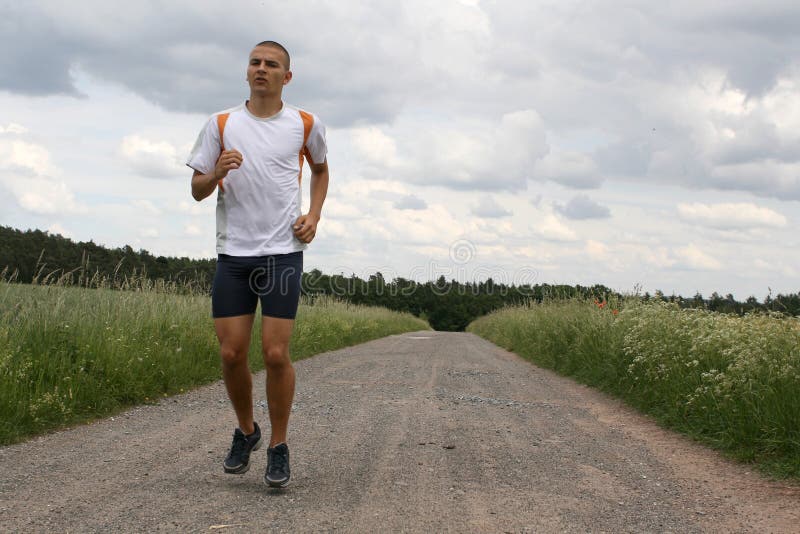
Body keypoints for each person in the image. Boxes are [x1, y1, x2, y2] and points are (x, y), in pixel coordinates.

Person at [186, 40, 329, 488]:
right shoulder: (221, 124)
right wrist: (217, 172)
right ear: (246, 72)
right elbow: (196, 188)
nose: (261, 69)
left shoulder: (304, 123)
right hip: (234, 253)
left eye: (272, 64)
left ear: (287, 77)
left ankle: (278, 446)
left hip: (283, 252)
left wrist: (314, 215)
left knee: (275, 353)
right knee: (231, 354)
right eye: (255, 62)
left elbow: (322, 170)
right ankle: (247, 431)